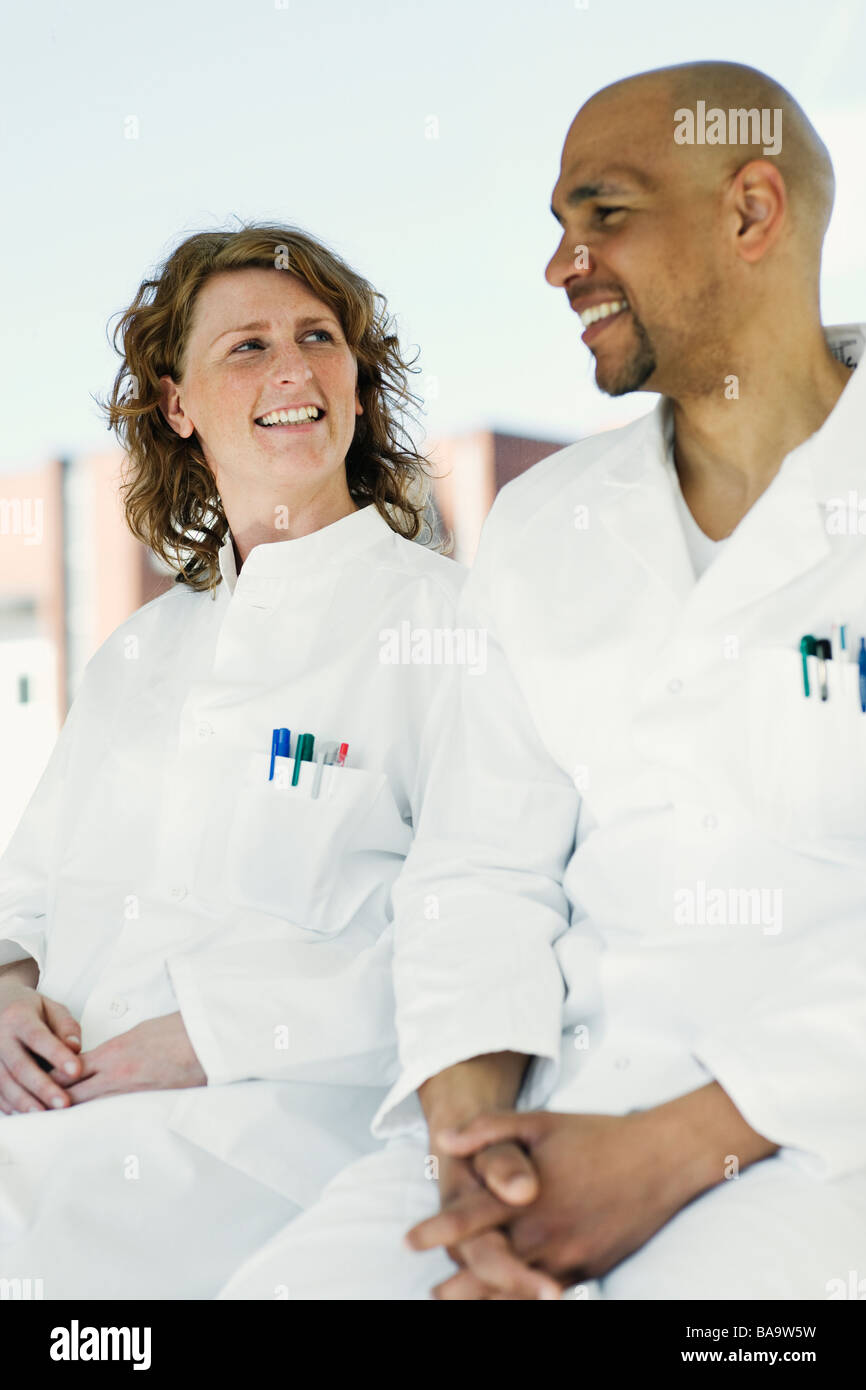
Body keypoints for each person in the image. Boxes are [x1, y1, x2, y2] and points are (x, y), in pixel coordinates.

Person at [220, 62, 866, 1301]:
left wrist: (673, 1149)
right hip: (541, 1124)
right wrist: (475, 1174)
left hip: (815, 1134)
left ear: (749, 211)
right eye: (558, 228)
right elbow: (477, 870)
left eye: (601, 213)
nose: (561, 264)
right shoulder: (543, 518)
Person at [0, 223, 464, 1298]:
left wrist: (214, 1032)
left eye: (318, 336)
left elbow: (484, 935)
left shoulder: (447, 627)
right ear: (177, 405)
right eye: (246, 346)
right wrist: (8, 997)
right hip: (52, 1113)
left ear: (356, 387)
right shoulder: (139, 653)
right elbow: (22, 901)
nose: (293, 366)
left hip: (270, 1136)